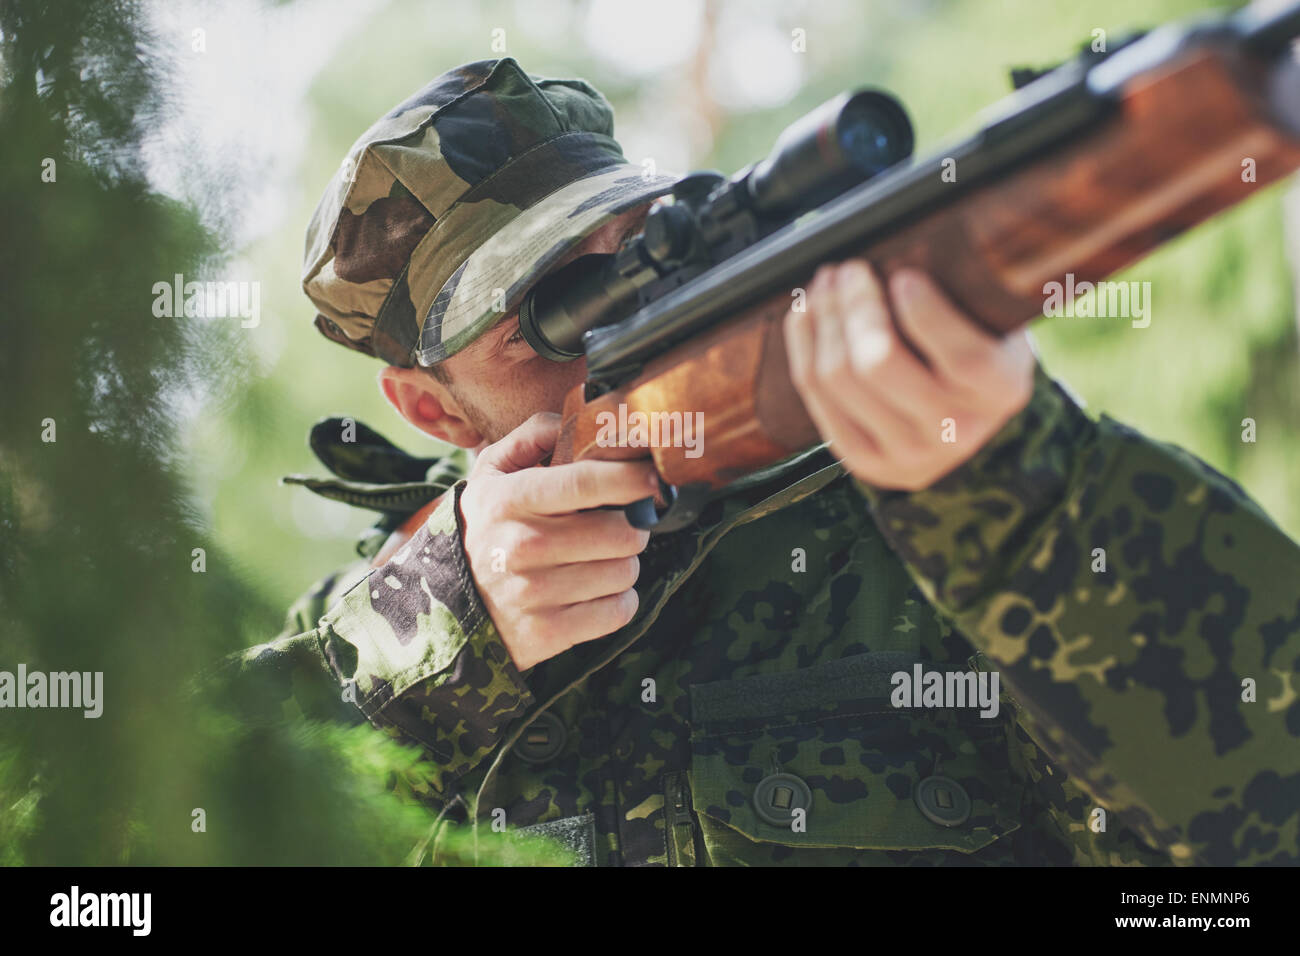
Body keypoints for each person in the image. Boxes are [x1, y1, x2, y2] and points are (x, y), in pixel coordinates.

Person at [226, 57, 1300, 866]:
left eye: (638, 240)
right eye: (544, 312)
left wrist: (1026, 494)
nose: (626, 309)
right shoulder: (369, 638)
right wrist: (444, 630)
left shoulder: (927, 520)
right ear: (430, 406)